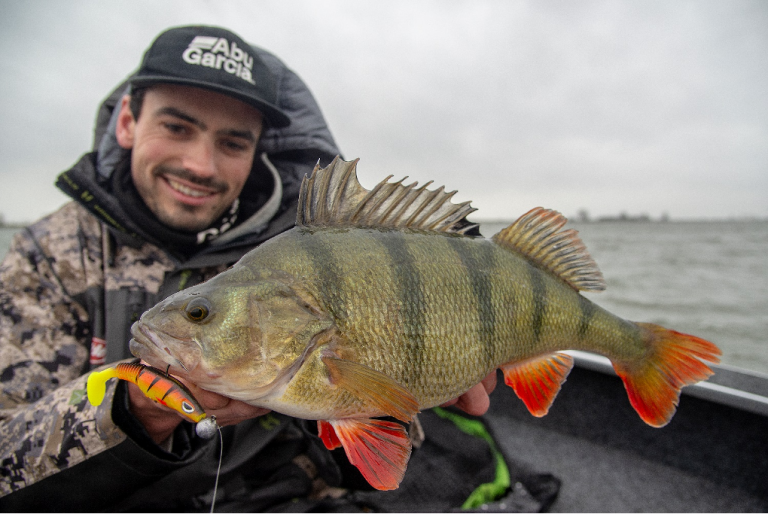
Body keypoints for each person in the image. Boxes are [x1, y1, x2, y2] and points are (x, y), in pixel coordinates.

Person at [0, 25, 495, 511]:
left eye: (233, 142)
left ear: (258, 148)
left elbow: (378, 425)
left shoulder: (305, 241)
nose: (201, 165)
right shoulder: (49, 255)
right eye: (177, 128)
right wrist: (132, 411)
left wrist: (408, 381)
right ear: (127, 121)